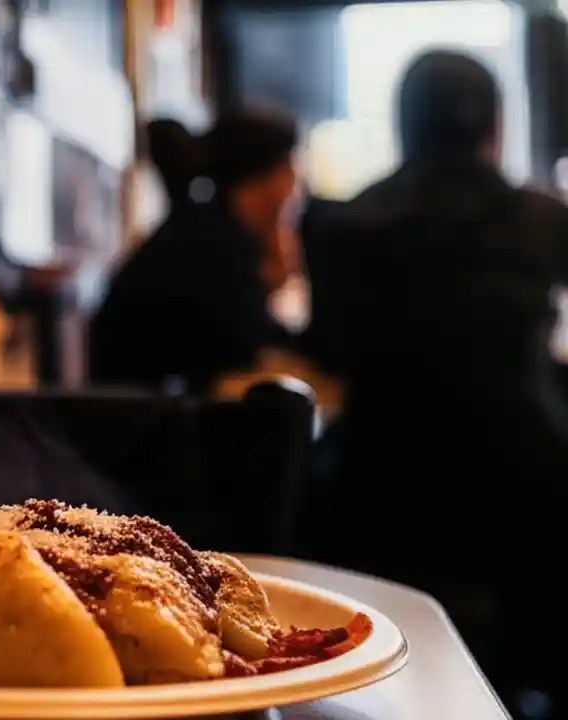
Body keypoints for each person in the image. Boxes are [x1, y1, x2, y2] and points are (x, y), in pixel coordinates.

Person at [302, 50, 568, 715]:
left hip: (379, 489)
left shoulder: (339, 225)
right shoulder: (543, 220)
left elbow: (330, 352)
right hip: (524, 489)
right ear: (495, 127)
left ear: (405, 124)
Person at [90, 110, 300, 392]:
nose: (296, 188)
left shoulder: (208, 226)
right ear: (272, 177)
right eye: (292, 169)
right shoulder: (215, 243)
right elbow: (242, 350)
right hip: (140, 411)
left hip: (143, 404)